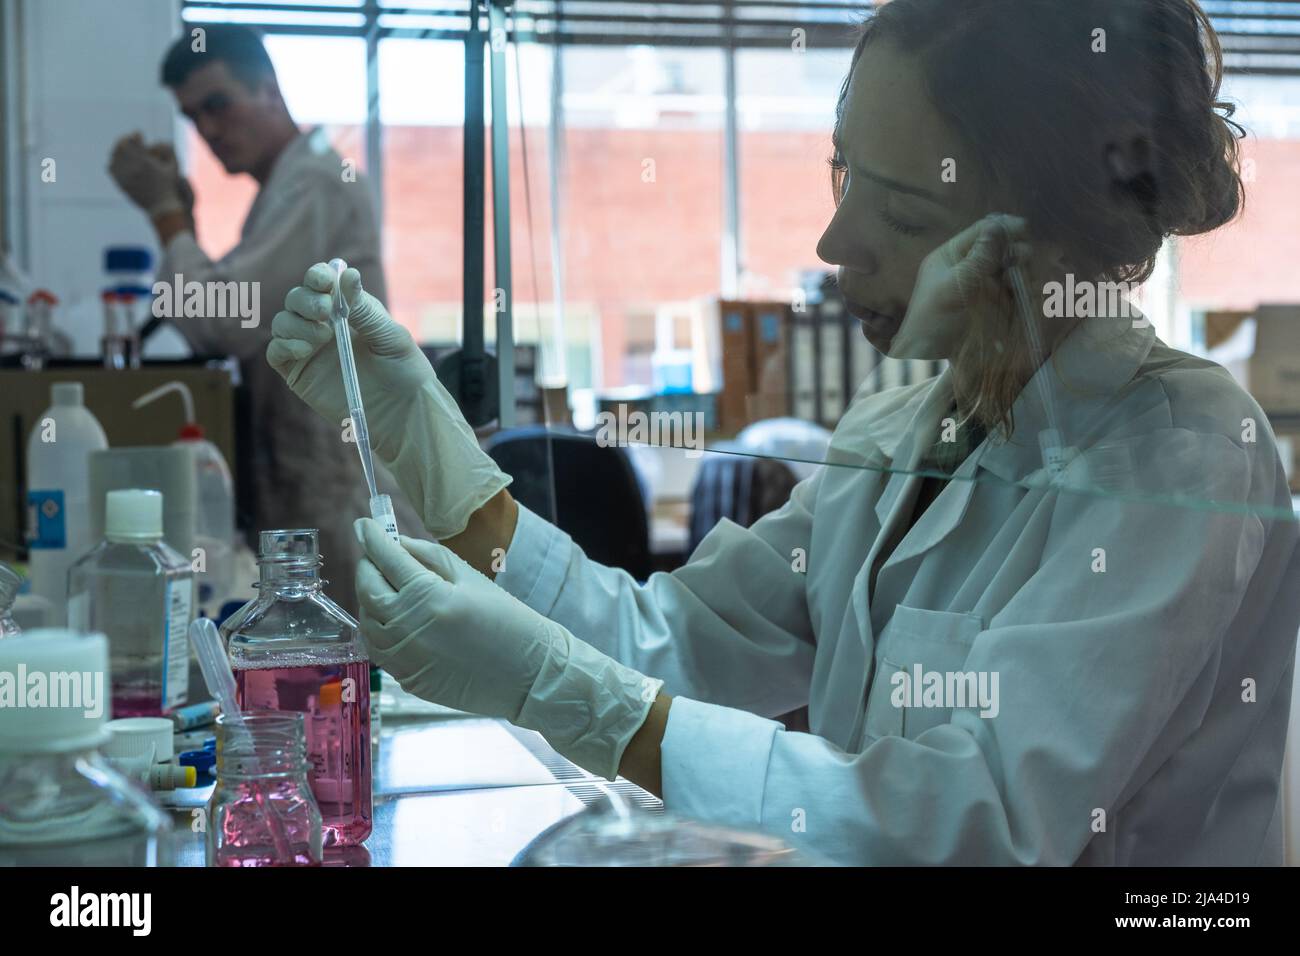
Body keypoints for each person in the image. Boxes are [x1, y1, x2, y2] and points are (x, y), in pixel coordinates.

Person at [269, 0, 1300, 865]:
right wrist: (428, 441)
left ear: (1042, 229)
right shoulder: (901, 429)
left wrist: (566, 689)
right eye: (840, 177)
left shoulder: (1185, 451)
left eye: (896, 213)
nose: (831, 242)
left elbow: (979, 818)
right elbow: (669, 642)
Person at [107, 23, 416, 612]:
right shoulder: (284, 190)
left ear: (270, 90)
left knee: (354, 681)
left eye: (219, 104)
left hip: (341, 490)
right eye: (195, 117)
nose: (210, 130)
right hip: (311, 488)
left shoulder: (317, 182)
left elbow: (218, 316)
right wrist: (182, 220)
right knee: (318, 679)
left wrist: (167, 215)